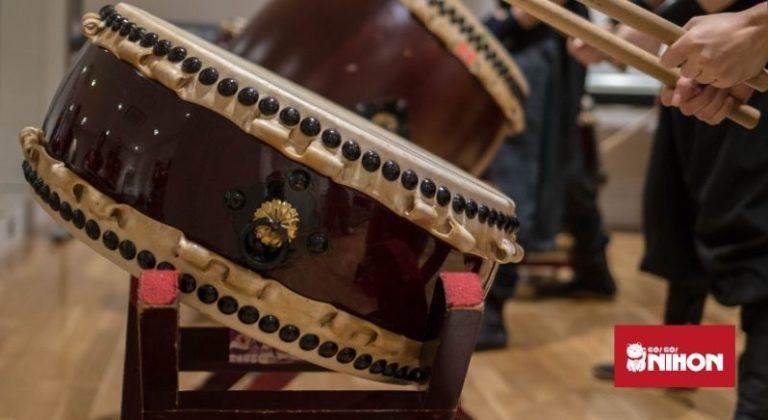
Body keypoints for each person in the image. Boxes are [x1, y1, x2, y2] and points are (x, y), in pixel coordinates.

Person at [569, 1, 768, 418]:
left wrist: (757, 23)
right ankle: (681, 361)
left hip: (753, 47)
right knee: (677, 216)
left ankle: (756, 400)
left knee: (751, 234)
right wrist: (621, 42)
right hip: (715, 43)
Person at [478, 0, 616, 350]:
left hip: (544, 48)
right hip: (547, 44)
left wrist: (515, 19)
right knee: (561, 172)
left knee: (523, 177)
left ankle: (491, 316)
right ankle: (595, 274)